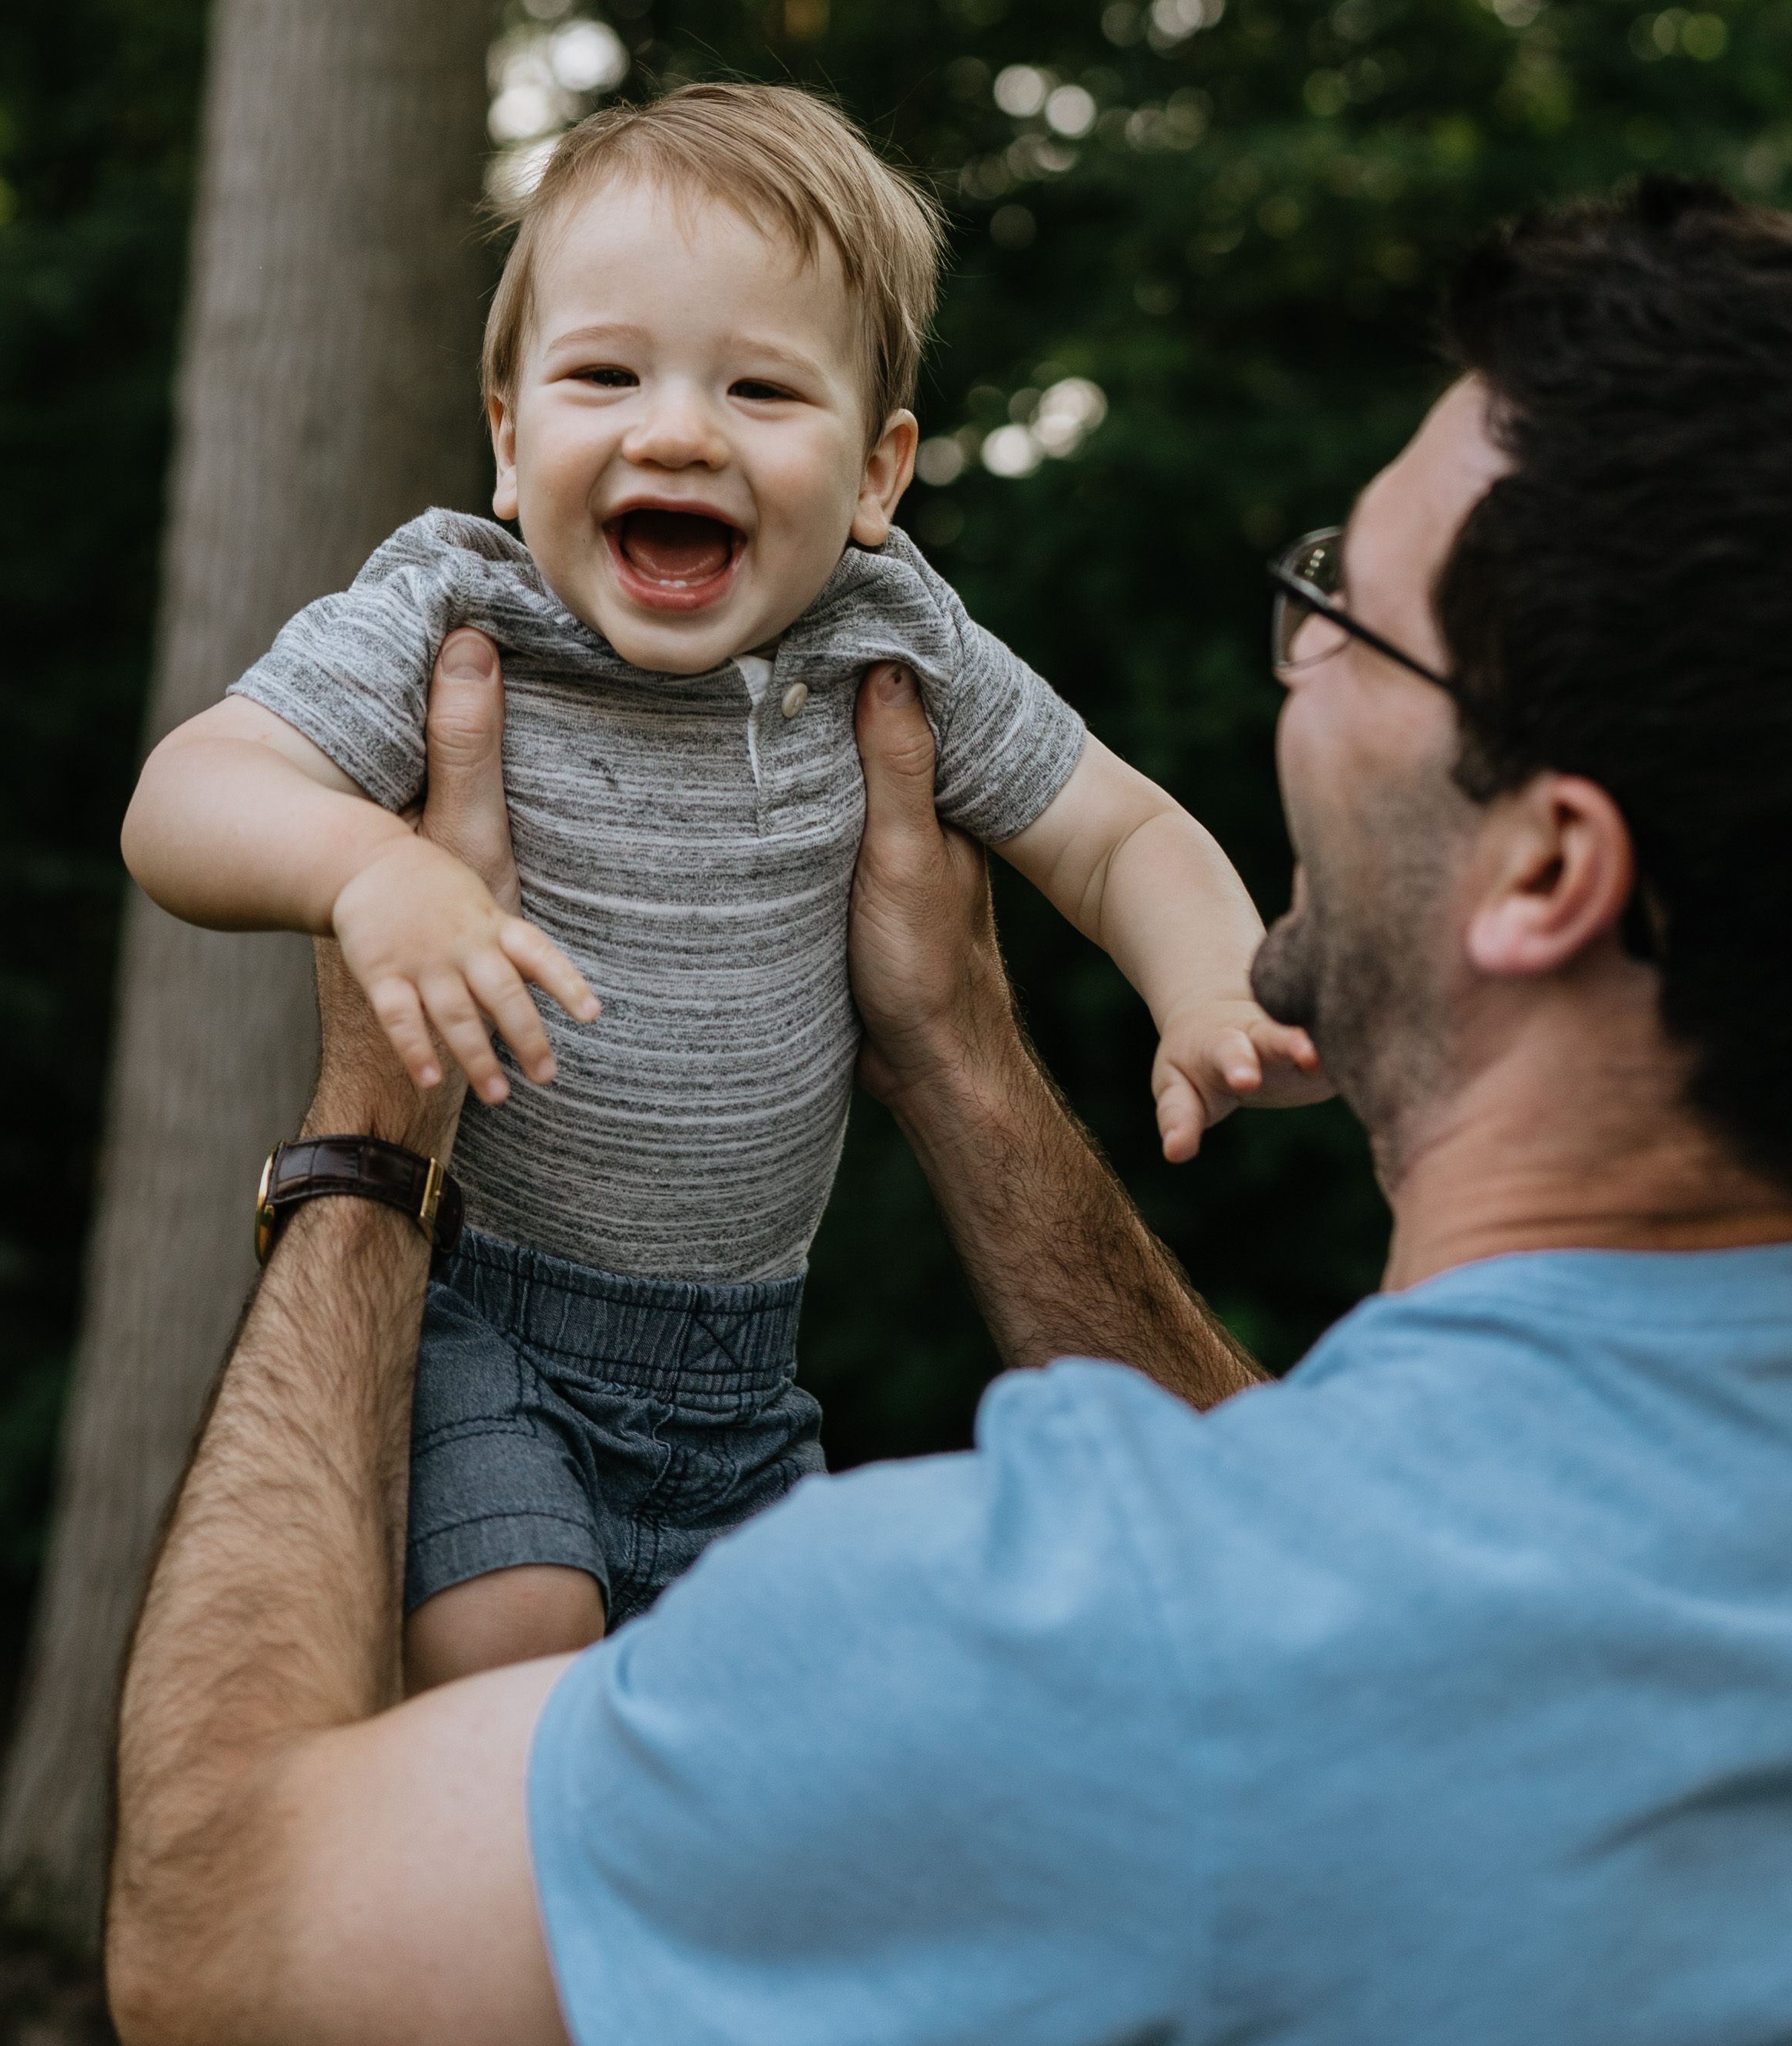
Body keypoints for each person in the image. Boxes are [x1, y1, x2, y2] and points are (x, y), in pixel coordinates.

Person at [107, 180, 1792, 2044]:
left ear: (1548, 868)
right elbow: (1333, 1558)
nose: (1287, 660)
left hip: (713, 1377)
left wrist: (370, 1124)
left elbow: (225, 1945)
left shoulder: (1089, 1656)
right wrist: (953, 1046)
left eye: (1341, 615)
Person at [120, 83, 1322, 1689]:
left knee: (773, 1706)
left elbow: (1116, 834)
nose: (676, 431)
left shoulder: (890, 637)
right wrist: (369, 869)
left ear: (877, 473)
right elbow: (183, 799)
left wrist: (1214, 986)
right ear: (508, 435)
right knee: (517, 1629)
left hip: (745, 1372)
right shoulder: (453, 608)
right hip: (479, 1315)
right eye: (604, 375)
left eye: (759, 389)